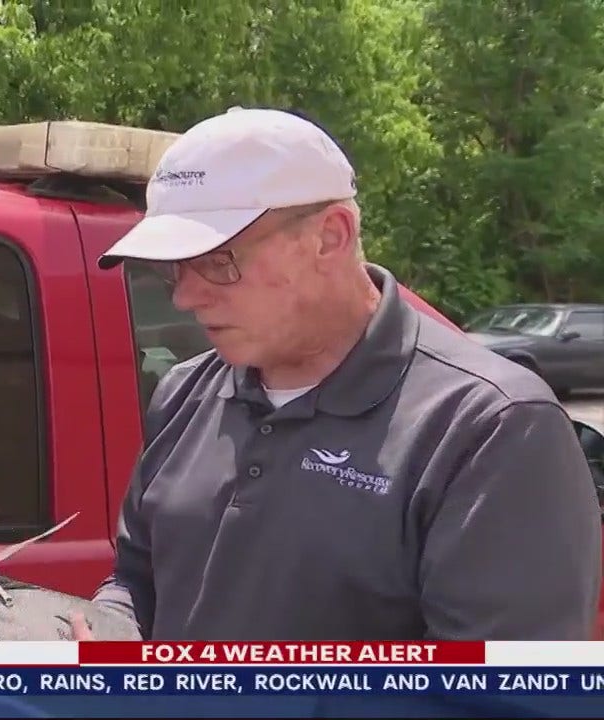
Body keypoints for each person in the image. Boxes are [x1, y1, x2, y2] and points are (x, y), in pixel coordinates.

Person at [73, 107, 601, 640]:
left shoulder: (489, 427)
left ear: (331, 235)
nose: (186, 296)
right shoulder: (185, 393)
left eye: (218, 261)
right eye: (173, 269)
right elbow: (137, 577)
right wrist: (113, 634)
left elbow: (500, 696)